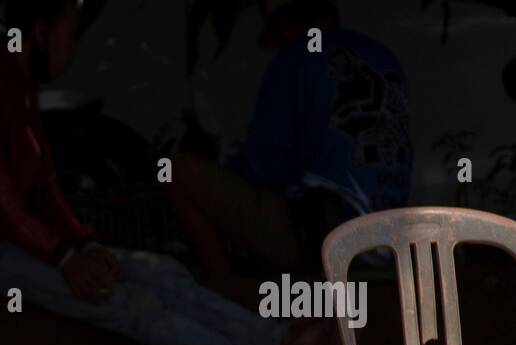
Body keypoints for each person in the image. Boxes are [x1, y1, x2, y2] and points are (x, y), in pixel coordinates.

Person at [0, 0, 329, 345]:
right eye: (71, 36)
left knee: (161, 271)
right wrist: (66, 257)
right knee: (125, 301)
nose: (73, 50)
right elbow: (0, 197)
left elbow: (45, 188)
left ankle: (274, 342)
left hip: (23, 247)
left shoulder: (19, 90)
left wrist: (85, 244)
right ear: (42, 33)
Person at [169, 0, 412, 304]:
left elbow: (264, 167)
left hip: (323, 236)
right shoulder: (383, 56)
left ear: (283, 28)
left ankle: (226, 295)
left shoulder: (296, 57)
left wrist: (228, 162)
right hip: (388, 236)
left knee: (179, 172)